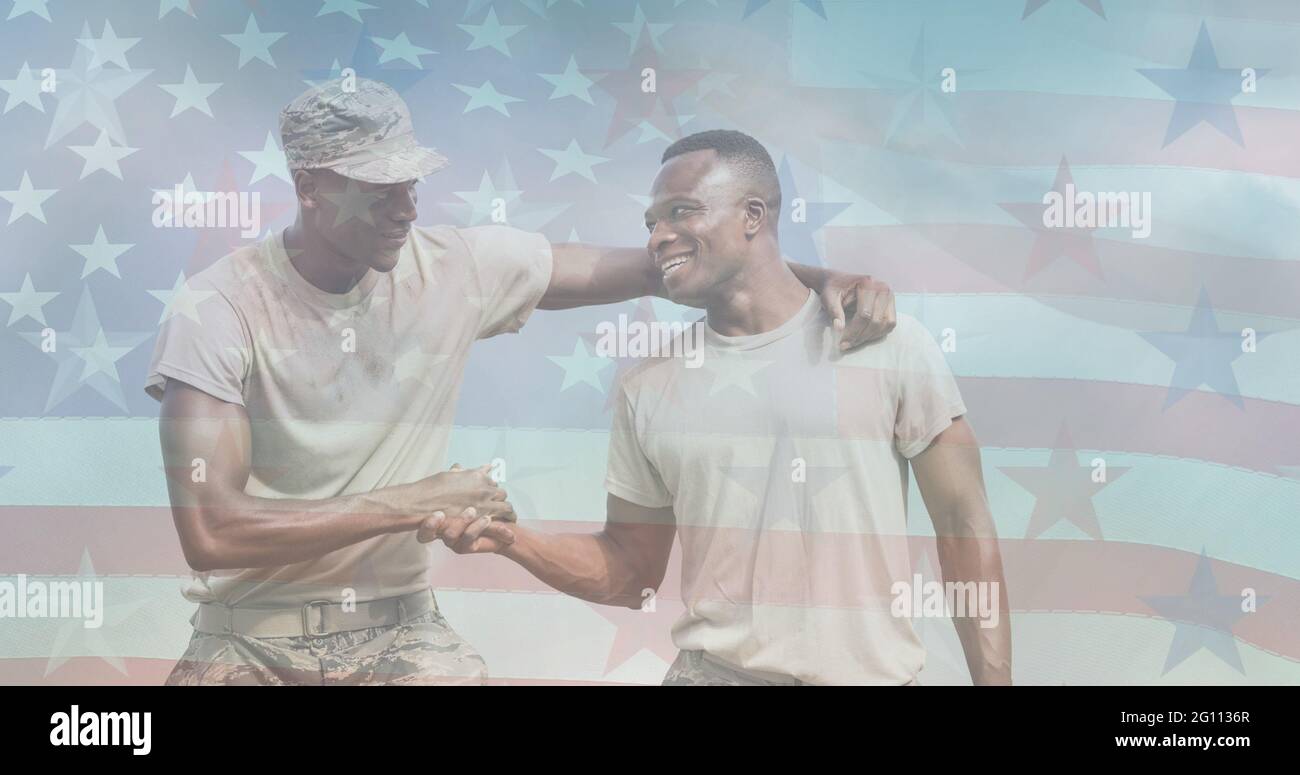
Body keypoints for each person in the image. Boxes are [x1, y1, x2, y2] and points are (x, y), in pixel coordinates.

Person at [147, 81, 895, 685]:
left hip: (400, 635)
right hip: (248, 640)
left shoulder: (456, 268)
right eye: (379, 189)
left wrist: (829, 277)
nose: (407, 208)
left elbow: (676, 264)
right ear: (310, 187)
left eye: (411, 183)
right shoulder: (218, 309)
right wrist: (410, 502)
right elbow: (213, 531)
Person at [428, 130, 1012, 685]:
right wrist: (513, 540)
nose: (658, 236)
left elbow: (964, 525)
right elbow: (631, 570)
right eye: (652, 223)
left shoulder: (888, 342)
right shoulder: (647, 386)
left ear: (753, 216)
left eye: (681, 211)